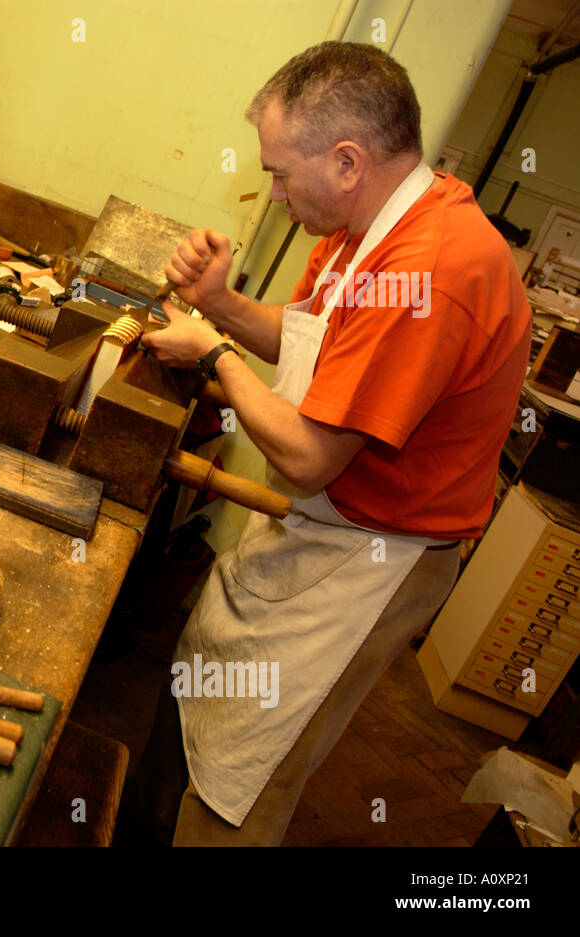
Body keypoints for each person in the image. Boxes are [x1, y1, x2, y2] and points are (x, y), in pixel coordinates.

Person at [134, 40, 531, 845]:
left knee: (249, 770)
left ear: (348, 161)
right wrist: (225, 304)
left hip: (370, 557)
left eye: (281, 172)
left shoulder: (433, 269)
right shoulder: (365, 229)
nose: (273, 192)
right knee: (204, 696)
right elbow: (314, 340)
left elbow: (314, 453)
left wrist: (212, 349)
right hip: (315, 521)